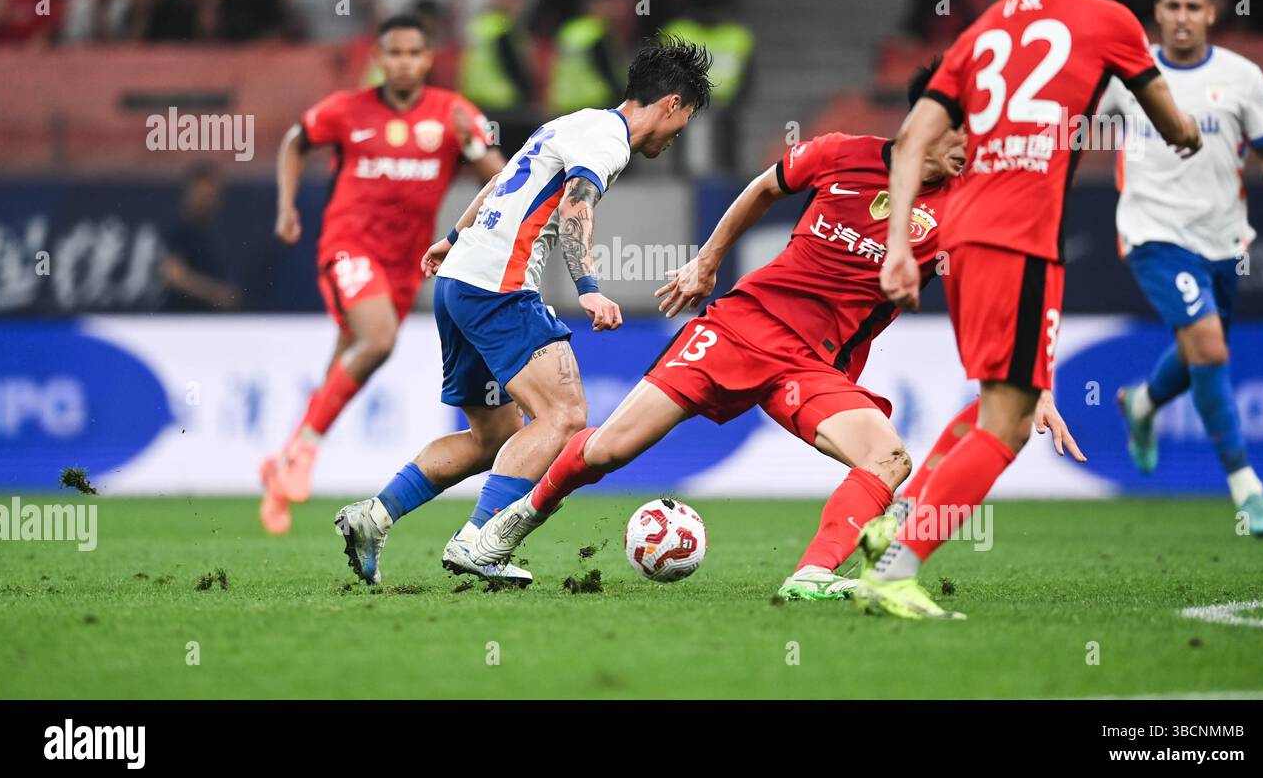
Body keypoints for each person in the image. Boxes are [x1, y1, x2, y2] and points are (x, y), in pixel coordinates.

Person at [457, 64, 1081, 606]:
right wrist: (707, 260)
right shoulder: (842, 153)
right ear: (923, 119)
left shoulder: (965, 208)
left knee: (888, 457)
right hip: (739, 327)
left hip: (811, 367)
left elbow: (1003, 298)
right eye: (960, 127)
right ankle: (504, 532)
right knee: (609, 449)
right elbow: (762, 188)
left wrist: (1037, 384)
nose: (971, 145)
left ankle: (810, 575)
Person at [871, 0, 1201, 618]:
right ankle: (896, 567)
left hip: (960, 234)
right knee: (1009, 426)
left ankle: (894, 535)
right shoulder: (1109, 19)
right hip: (1021, 240)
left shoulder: (980, 31)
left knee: (997, 405)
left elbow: (908, 143)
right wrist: (1188, 139)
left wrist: (900, 246)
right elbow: (1174, 123)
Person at [334, 37, 714, 586]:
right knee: (565, 417)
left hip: (460, 282)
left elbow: (498, 181)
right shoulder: (608, 142)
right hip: (499, 288)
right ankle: (478, 542)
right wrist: (588, 285)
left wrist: (453, 236)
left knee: (492, 439)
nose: (679, 135)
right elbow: (577, 202)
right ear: (672, 104)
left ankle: (374, 516)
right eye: (685, 120)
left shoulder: (573, 122)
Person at [262, 14, 506, 534]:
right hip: (348, 248)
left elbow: (502, 177)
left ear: (428, 59)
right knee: (378, 340)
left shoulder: (453, 114)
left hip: (404, 266)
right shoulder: (347, 110)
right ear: (378, 59)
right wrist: (286, 208)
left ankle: (284, 458)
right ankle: (304, 451)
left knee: (349, 357)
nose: (403, 63)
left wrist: (475, 153)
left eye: (413, 54)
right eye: (393, 54)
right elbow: (294, 141)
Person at [1102, 0, 1263, 536]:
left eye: (1194, 6)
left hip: (1224, 240)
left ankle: (1141, 403)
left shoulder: (1242, 77)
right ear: (1157, 13)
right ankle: (1246, 489)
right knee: (1208, 345)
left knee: (1201, 349)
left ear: (1212, 13)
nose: (1182, 16)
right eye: (1173, 6)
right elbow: (1073, 122)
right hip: (1152, 232)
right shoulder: (1127, 75)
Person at [161, 165, 239, 312]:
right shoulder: (180, 231)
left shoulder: (215, 231)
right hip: (184, 318)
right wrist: (216, 294)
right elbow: (174, 275)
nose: (206, 202)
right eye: (201, 196)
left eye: (210, 196)